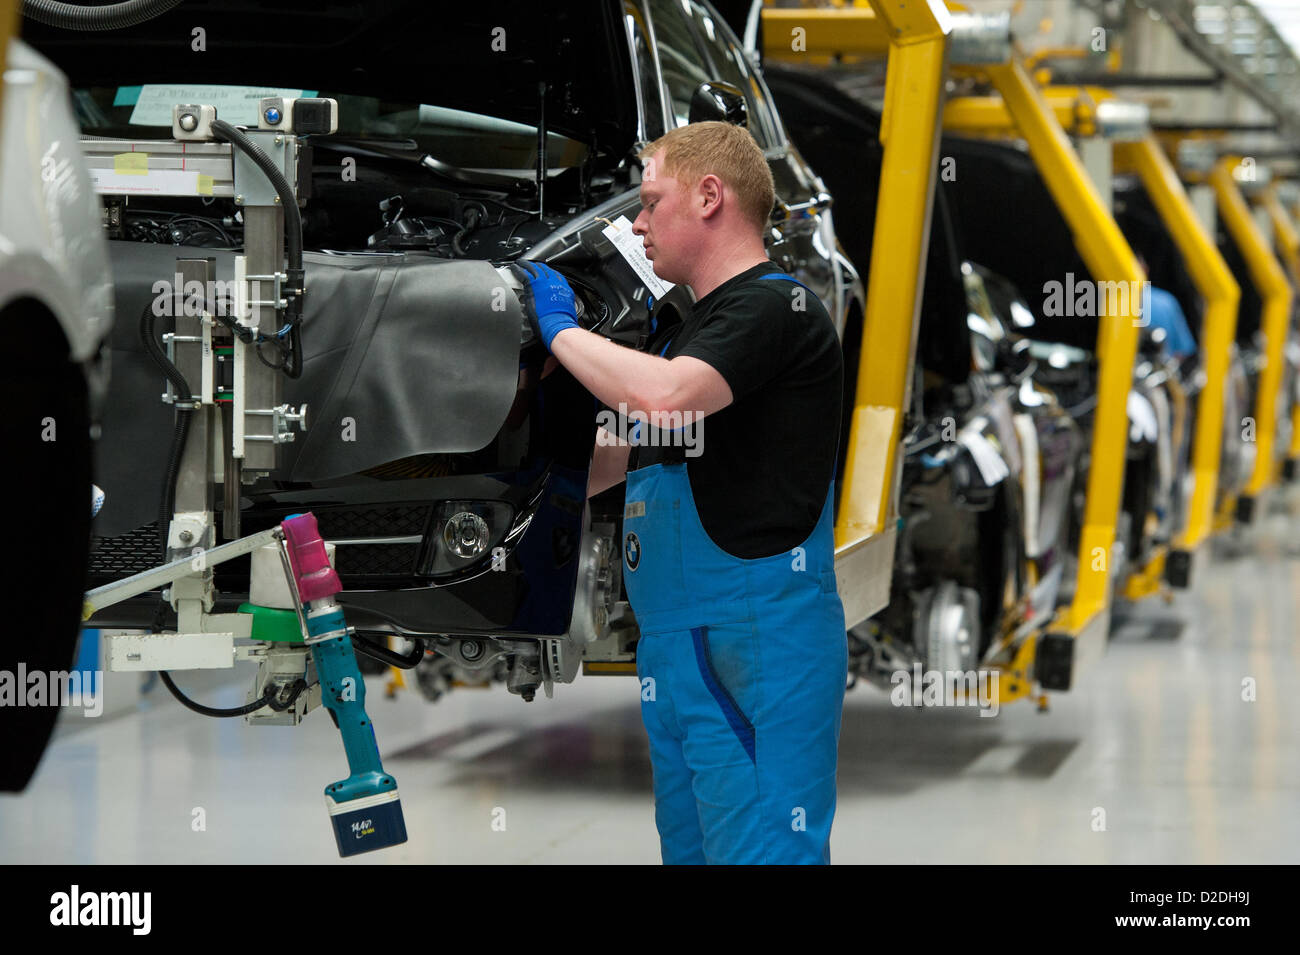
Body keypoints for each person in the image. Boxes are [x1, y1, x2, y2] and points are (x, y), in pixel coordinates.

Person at [513, 120, 847, 864]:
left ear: (708, 197)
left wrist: (563, 330)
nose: (636, 222)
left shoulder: (774, 310)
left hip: (761, 642)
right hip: (677, 648)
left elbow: (665, 403)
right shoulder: (682, 336)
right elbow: (615, 457)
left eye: (649, 200)